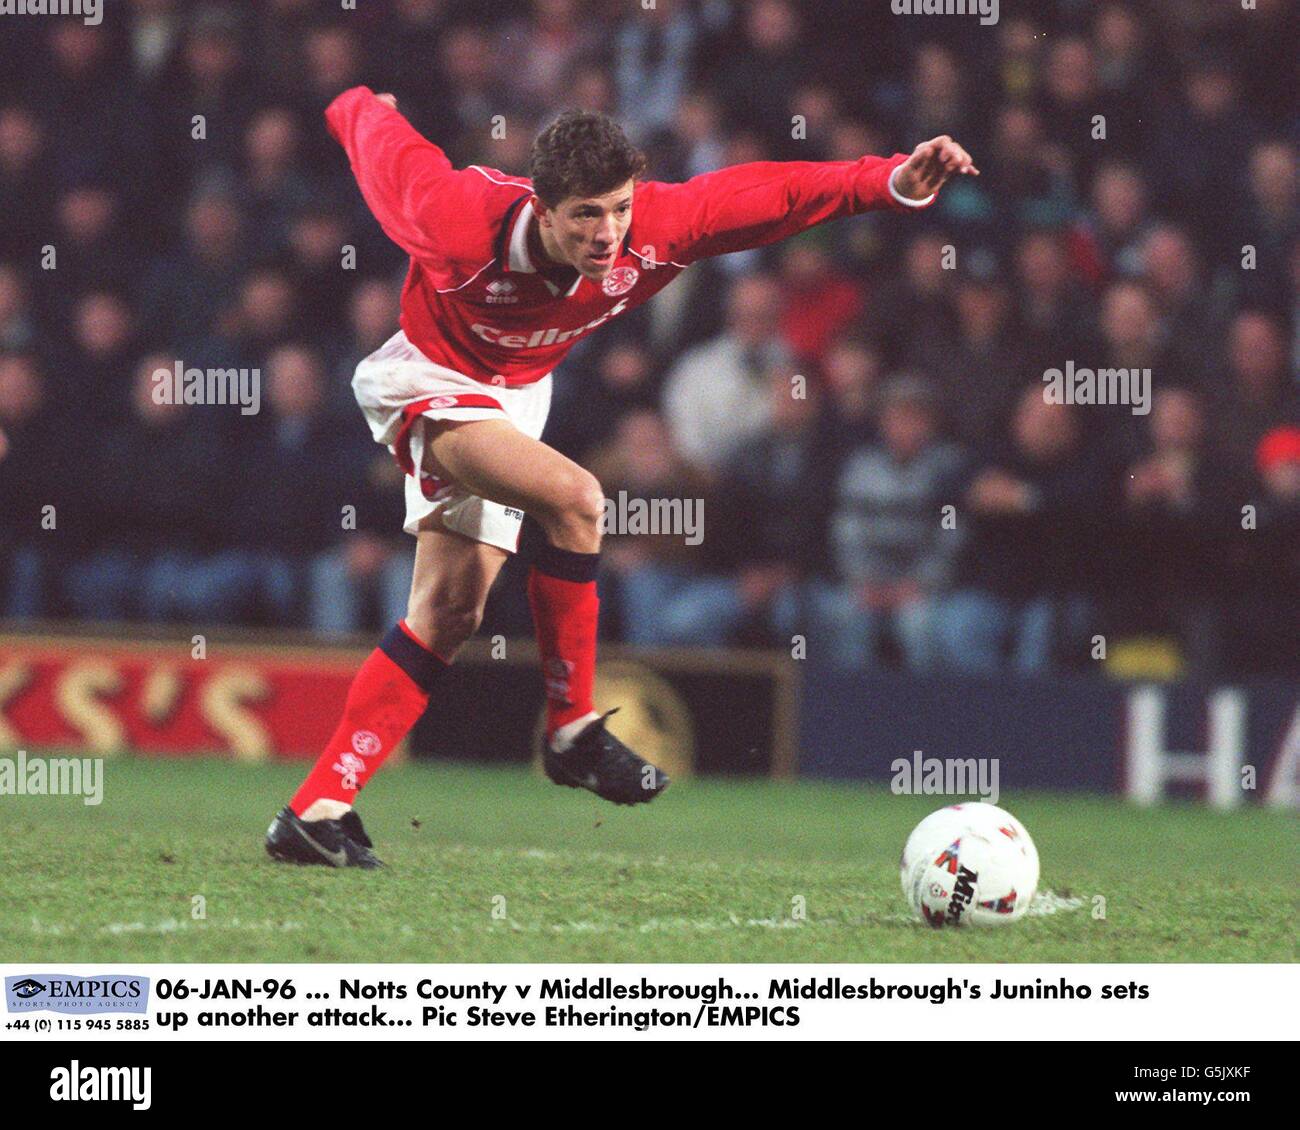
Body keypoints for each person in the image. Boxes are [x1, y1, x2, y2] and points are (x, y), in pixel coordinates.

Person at [266, 84, 977, 869]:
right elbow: (380, 146)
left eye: (618, 209)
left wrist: (888, 182)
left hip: (511, 396)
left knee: (447, 614)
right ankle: (571, 731)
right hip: (426, 378)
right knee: (578, 501)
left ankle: (316, 810)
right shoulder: (455, 217)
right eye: (585, 215)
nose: (608, 234)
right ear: (542, 207)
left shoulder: (653, 229)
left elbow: (768, 194)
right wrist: (363, 101)